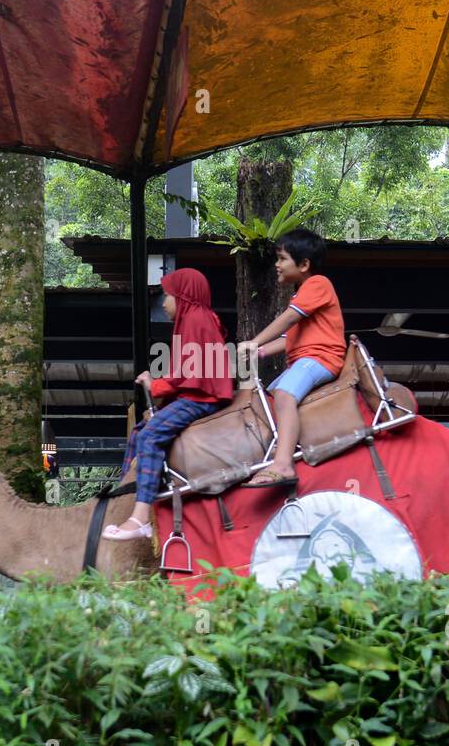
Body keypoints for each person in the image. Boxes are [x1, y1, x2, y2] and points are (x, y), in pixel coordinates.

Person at [104, 268, 233, 541]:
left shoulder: (197, 319)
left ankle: (140, 519)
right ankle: (123, 499)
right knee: (139, 430)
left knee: (149, 436)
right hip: (194, 396)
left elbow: (188, 373)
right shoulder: (195, 319)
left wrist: (155, 384)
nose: (163, 302)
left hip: (201, 400)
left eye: (168, 294)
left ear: (183, 295)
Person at [237, 228, 346, 488]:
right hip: (304, 360)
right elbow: (290, 339)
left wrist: (254, 341)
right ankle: (285, 449)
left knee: (285, 394)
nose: (277, 265)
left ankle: (284, 463)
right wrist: (259, 351)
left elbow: (288, 319)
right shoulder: (302, 295)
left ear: (304, 264)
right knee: (272, 396)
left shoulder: (318, 284)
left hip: (321, 358)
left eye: (282, 258)